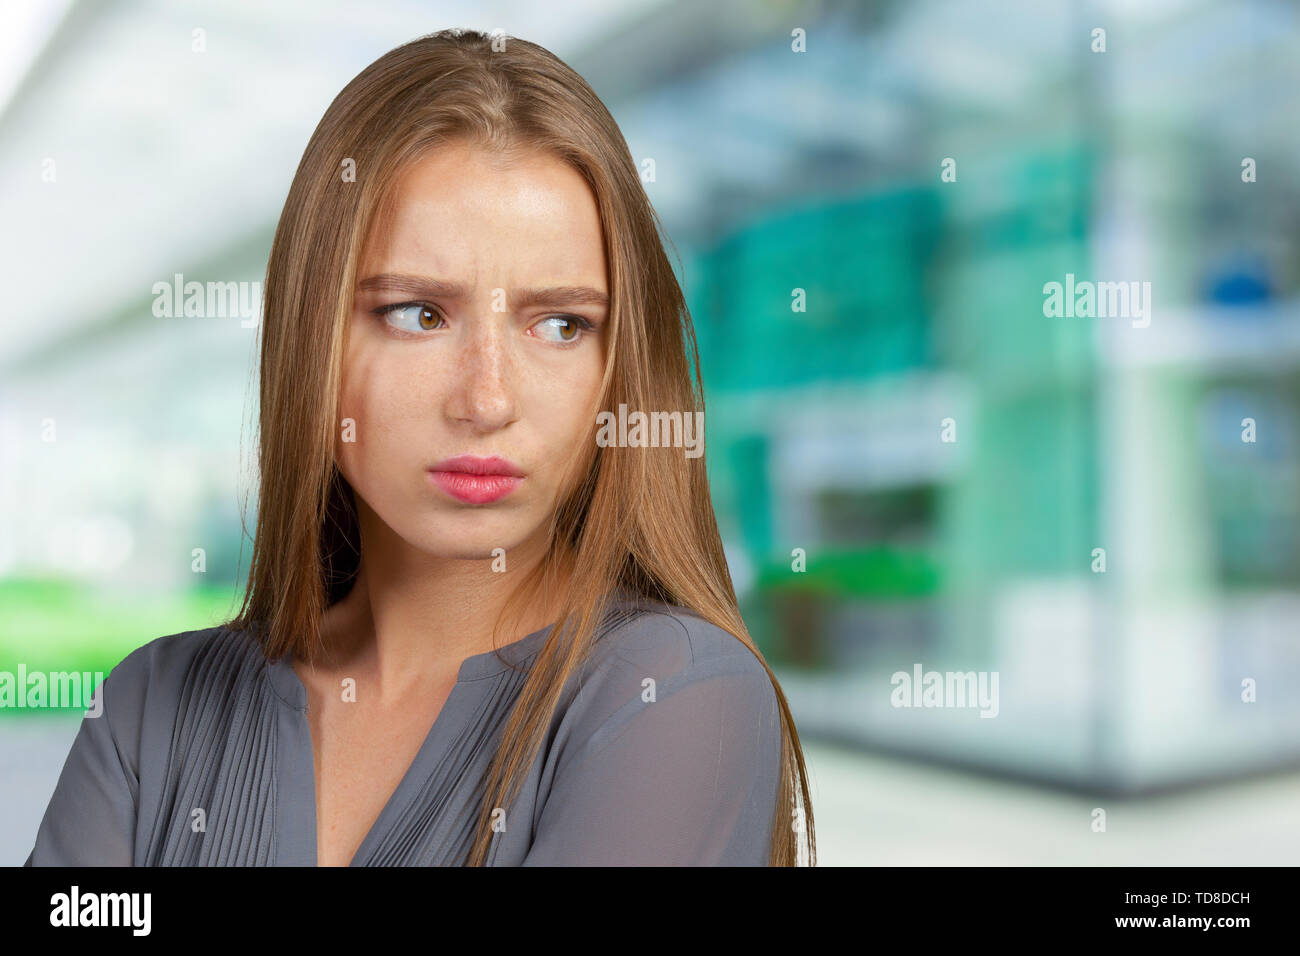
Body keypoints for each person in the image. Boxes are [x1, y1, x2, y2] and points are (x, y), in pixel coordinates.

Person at [25, 27, 815, 867]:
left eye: (560, 325)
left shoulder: (674, 690)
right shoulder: (155, 705)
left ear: (618, 373)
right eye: (418, 314)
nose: (486, 399)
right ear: (312, 341)